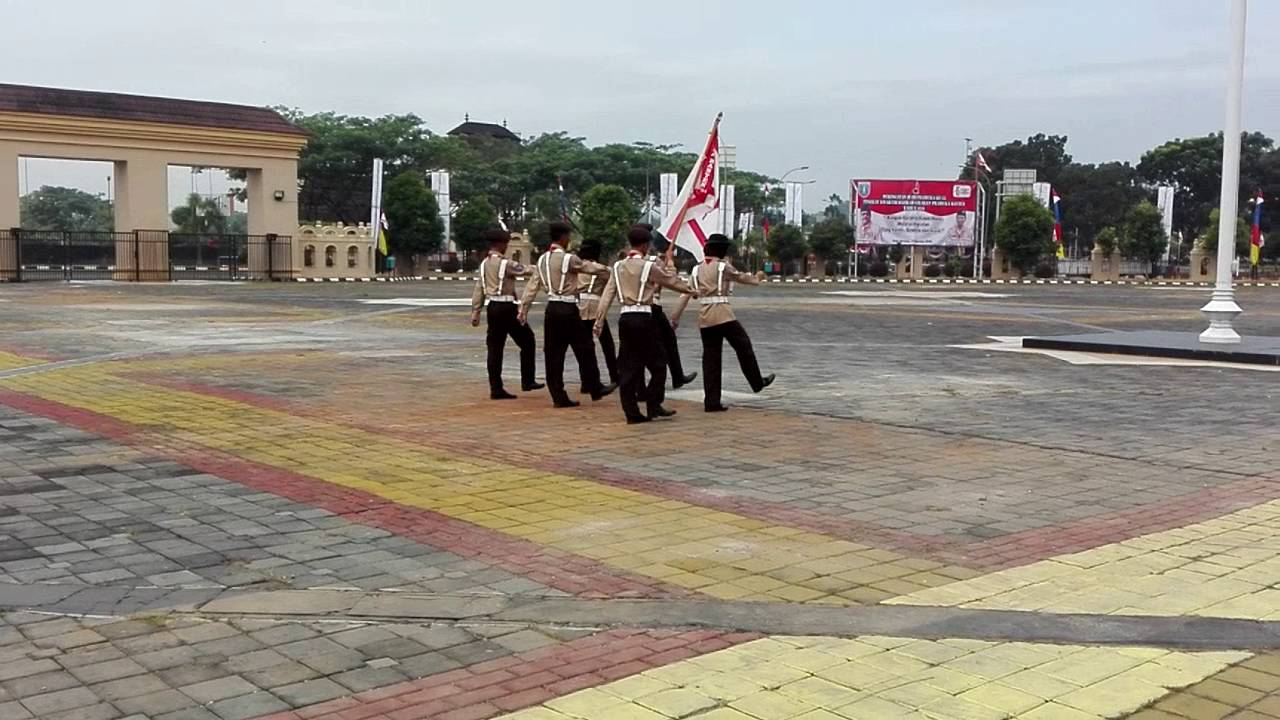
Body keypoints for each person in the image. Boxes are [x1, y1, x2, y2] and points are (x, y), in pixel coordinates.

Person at [594, 226, 697, 424]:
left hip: (625, 319)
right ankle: (653, 403)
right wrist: (692, 290)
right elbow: (671, 281)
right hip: (644, 318)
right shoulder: (648, 266)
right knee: (658, 364)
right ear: (645, 245)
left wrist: (599, 320)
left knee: (628, 367)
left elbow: (607, 295)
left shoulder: (617, 267)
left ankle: (632, 413)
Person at [670, 233, 775, 412]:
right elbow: (742, 278)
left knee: (710, 359)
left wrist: (675, 317)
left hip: (705, 317)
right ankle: (757, 382)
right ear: (721, 250)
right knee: (743, 346)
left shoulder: (696, 269)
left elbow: (686, 294)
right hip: (723, 314)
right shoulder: (723, 266)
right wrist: (758, 278)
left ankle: (711, 402)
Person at [518, 222, 615, 408]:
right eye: (568, 236)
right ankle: (595, 387)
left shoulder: (542, 260)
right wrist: (613, 271)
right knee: (585, 347)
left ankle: (558, 396)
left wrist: (523, 309)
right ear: (563, 237)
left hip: (552, 309)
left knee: (553, 354)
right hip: (568, 309)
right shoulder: (569, 259)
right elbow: (590, 268)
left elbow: (532, 286)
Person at [470, 227, 543, 399]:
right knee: (527, 340)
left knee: (495, 349)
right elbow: (527, 270)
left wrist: (476, 311)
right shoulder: (506, 264)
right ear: (501, 244)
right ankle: (528, 380)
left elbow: (479, 288)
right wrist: (545, 267)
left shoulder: (484, 264)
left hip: (493, 308)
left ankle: (496, 388)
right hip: (507, 308)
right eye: (506, 244)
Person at [644, 226, 698, 389]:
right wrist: (690, 290)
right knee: (666, 342)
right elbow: (668, 281)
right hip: (652, 306)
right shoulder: (654, 262)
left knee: (658, 342)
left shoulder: (626, 262)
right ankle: (675, 377)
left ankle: (677, 376)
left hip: (634, 309)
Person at [575, 240, 619, 391]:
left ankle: (586, 381)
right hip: (595, 307)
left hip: (579, 307)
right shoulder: (600, 269)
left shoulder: (577, 267)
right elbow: (613, 277)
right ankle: (615, 376)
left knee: (585, 346)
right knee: (607, 345)